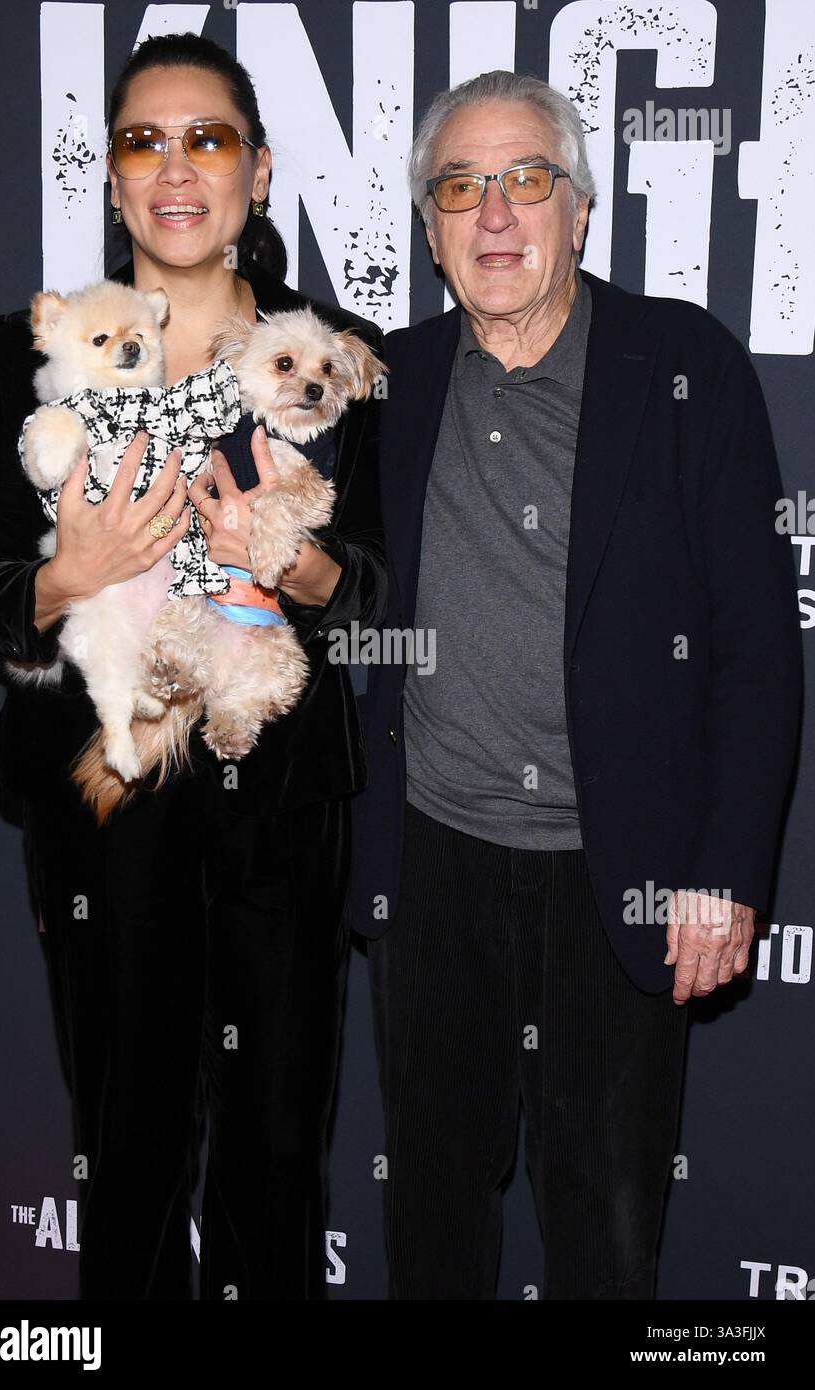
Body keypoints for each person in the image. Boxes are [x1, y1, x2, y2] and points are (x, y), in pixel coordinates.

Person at [347, 69, 803, 1299]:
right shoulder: (393, 381)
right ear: (432, 230)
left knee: (605, 1242)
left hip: (626, 870)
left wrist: (724, 874)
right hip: (434, 869)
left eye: (525, 179)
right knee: (432, 1230)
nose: (494, 213)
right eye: (459, 187)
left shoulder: (684, 365)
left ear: (581, 208)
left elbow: (758, 645)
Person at [0, 32, 385, 1300]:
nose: (176, 167)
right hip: (105, 789)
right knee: (127, 1152)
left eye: (208, 139)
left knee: (274, 1150)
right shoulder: (22, 352)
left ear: (255, 169)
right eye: (145, 139)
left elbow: (376, 592)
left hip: (281, 800)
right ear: (113, 177)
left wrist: (295, 567)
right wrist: (60, 577)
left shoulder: (336, 354)